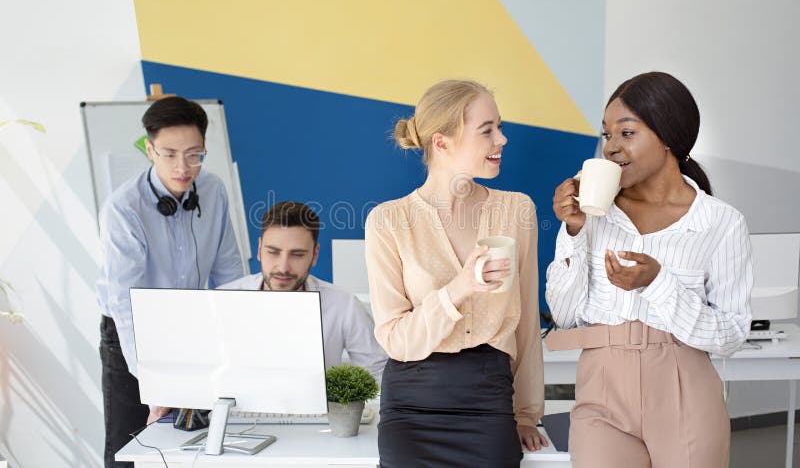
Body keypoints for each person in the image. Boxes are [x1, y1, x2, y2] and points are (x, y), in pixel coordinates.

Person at [545, 72, 752, 468]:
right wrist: (574, 231)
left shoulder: (720, 223)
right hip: (601, 390)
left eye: (627, 133)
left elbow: (730, 336)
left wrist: (658, 283)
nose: (612, 149)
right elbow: (565, 315)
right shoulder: (592, 213)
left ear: (668, 136)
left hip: (686, 392)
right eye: (607, 136)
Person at [365, 79, 546, 467]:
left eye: (499, 126)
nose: (502, 139)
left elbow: (527, 322)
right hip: (410, 408)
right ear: (442, 142)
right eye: (487, 130)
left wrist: (527, 413)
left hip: (488, 400)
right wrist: (458, 289)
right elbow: (395, 338)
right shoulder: (388, 221)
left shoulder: (517, 211)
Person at [96, 96, 243, 467]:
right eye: (170, 154)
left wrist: (238, 347)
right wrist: (154, 381)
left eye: (194, 154)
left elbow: (228, 275)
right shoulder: (124, 207)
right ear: (150, 149)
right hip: (130, 334)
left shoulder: (213, 191)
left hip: (192, 328)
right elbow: (124, 302)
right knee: (129, 448)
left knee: (194, 444)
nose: (183, 166)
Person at [218, 201, 387, 381]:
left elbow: (377, 373)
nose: (283, 267)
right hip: (236, 407)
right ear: (259, 250)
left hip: (318, 409)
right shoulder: (222, 299)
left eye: (297, 255)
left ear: (314, 255)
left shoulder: (344, 305)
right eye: (273, 252)